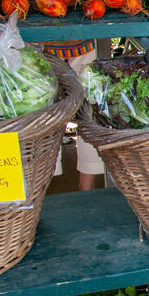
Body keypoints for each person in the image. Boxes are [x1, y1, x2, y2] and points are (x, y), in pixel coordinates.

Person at [43, 38, 103, 191]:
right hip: (42, 42)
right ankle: (42, 184)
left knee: (90, 107)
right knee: (44, 109)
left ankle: (87, 187)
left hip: (84, 40)